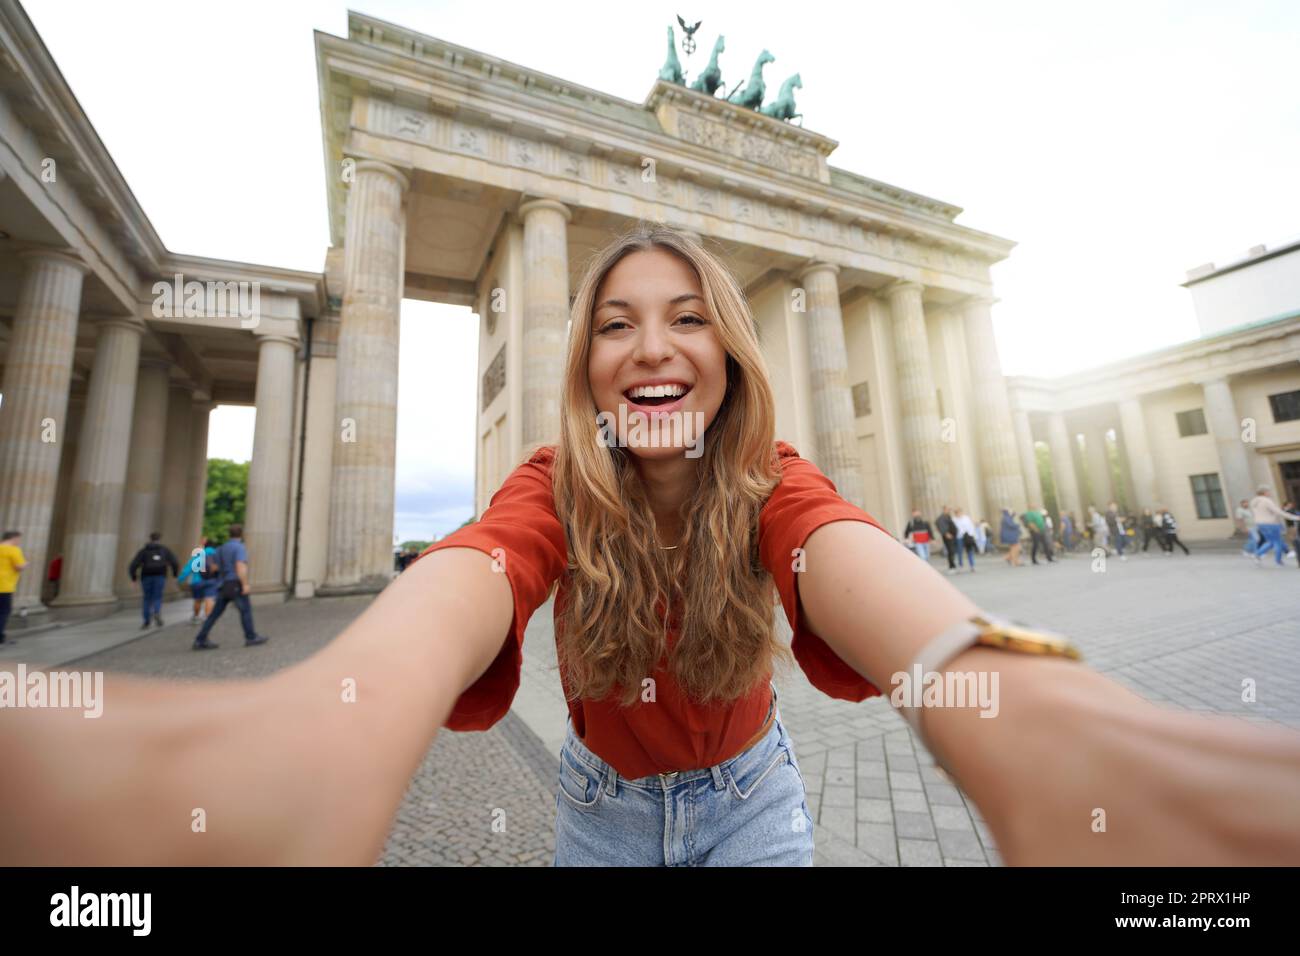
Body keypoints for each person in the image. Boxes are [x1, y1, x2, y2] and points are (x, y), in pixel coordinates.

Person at [3, 224, 1300, 868]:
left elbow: (849, 560)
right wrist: (329, 719)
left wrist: (1038, 707)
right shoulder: (555, 485)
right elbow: (471, 578)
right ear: (585, 363)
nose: (651, 345)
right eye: (614, 323)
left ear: (729, 356)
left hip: (756, 808)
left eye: (688, 317)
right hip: (598, 820)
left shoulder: (771, 482)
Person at [191, 524, 268, 650]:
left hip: (223, 584)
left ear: (229, 534)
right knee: (245, 611)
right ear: (241, 534)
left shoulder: (221, 549)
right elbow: (240, 566)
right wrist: (244, 584)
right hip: (235, 583)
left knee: (214, 614)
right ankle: (251, 636)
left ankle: (200, 639)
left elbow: (213, 568)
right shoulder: (239, 548)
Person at [127, 532, 179, 629]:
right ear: (159, 539)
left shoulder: (144, 551)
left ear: (150, 539)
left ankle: (146, 621)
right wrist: (175, 574)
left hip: (146, 576)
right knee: (157, 596)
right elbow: (174, 562)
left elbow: (133, 565)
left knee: (147, 598)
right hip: (160, 575)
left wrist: (133, 577)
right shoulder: (165, 550)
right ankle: (156, 612)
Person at [178, 535, 220, 624]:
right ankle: (207, 618)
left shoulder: (199, 554)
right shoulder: (217, 555)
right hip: (212, 581)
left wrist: (180, 579)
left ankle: (196, 617)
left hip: (197, 581)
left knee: (197, 600)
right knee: (210, 598)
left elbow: (189, 568)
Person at [1249, 486, 1294, 567]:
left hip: (1260, 524)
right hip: (1271, 523)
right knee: (1277, 542)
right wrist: (1292, 517)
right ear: (1264, 492)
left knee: (1270, 541)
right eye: (1268, 491)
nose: (1269, 493)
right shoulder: (1267, 501)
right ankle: (1278, 560)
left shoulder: (1254, 502)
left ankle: (1257, 555)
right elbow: (1277, 511)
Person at [0, 530, 26, 646]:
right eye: (19, 539)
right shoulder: (14, 550)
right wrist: (26, 564)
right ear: (14, 538)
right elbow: (19, 566)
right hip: (4, 586)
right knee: (3, 612)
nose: (19, 542)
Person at [953, 508, 978, 572]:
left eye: (959, 512)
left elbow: (971, 526)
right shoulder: (954, 519)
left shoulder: (966, 518)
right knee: (960, 552)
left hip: (967, 536)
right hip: (959, 537)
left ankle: (972, 566)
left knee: (970, 551)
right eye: (956, 513)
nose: (958, 514)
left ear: (961, 512)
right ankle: (960, 565)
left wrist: (973, 535)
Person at [935, 505, 958, 575]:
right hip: (948, 537)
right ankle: (951, 567)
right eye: (948, 510)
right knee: (950, 551)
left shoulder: (948, 516)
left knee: (952, 551)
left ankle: (953, 566)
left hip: (952, 536)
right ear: (944, 509)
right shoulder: (941, 518)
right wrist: (946, 533)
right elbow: (940, 525)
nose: (949, 511)